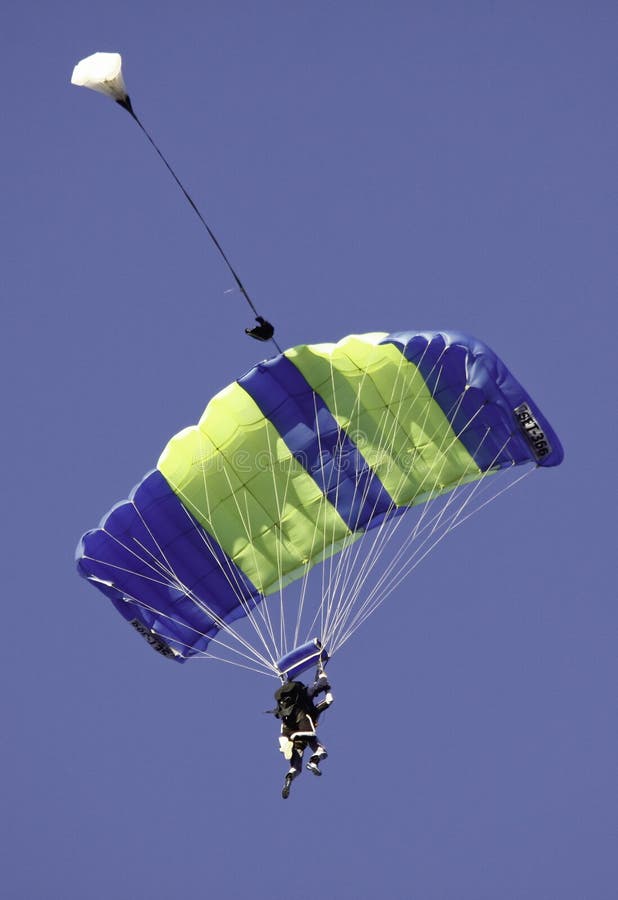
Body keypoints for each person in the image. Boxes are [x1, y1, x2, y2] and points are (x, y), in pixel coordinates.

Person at [270, 668, 334, 799]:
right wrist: (325, 680)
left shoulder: (296, 703)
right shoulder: (308, 698)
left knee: (296, 768)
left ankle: (288, 779)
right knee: (320, 748)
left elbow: (328, 699)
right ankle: (313, 761)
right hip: (302, 728)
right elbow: (328, 699)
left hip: (287, 730)